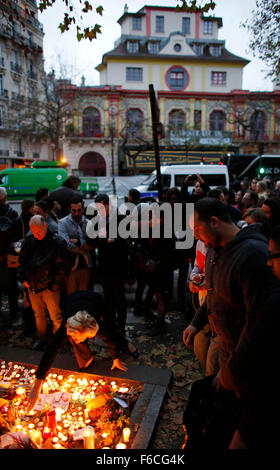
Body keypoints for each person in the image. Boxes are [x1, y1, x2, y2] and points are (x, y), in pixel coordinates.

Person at [182, 197, 277, 448]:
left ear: (215, 221)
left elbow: (259, 325)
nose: (198, 238)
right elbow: (213, 294)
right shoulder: (214, 251)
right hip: (225, 352)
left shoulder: (253, 255)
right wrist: (196, 322)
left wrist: (232, 372)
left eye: (199, 231)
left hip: (249, 366)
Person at [26, 290, 139, 412]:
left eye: (80, 336)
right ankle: (87, 358)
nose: (74, 339)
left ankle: (128, 344)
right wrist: (37, 385)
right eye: (73, 335)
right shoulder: (67, 327)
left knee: (111, 332)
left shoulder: (96, 324)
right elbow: (50, 353)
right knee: (74, 340)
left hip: (96, 301)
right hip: (73, 300)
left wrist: (115, 358)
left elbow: (109, 339)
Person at [18, 215, 69, 350]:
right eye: (33, 232)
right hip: (32, 286)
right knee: (38, 315)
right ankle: (41, 338)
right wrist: (23, 279)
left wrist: (54, 286)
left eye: (39, 231)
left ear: (45, 226)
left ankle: (57, 343)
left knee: (56, 316)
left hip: (49, 287)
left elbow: (62, 267)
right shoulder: (29, 241)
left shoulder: (57, 243)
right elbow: (22, 261)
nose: (37, 234)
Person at [87, 193, 129, 333]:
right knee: (109, 299)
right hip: (105, 266)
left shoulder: (121, 219)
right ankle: (111, 326)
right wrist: (105, 241)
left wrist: (107, 241)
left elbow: (123, 243)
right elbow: (91, 240)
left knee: (119, 298)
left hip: (118, 265)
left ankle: (120, 328)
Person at [58, 196, 92, 295]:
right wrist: (83, 246)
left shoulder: (88, 223)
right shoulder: (63, 223)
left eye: (79, 210)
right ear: (69, 209)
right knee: (71, 295)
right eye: (74, 211)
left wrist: (77, 241)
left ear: (83, 209)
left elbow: (92, 244)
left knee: (84, 294)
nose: (76, 213)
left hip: (86, 264)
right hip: (71, 264)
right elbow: (66, 244)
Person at [0, 187, 20, 323]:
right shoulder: (12, 213)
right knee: (12, 285)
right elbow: (18, 237)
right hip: (9, 256)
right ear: (5, 198)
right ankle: (13, 312)